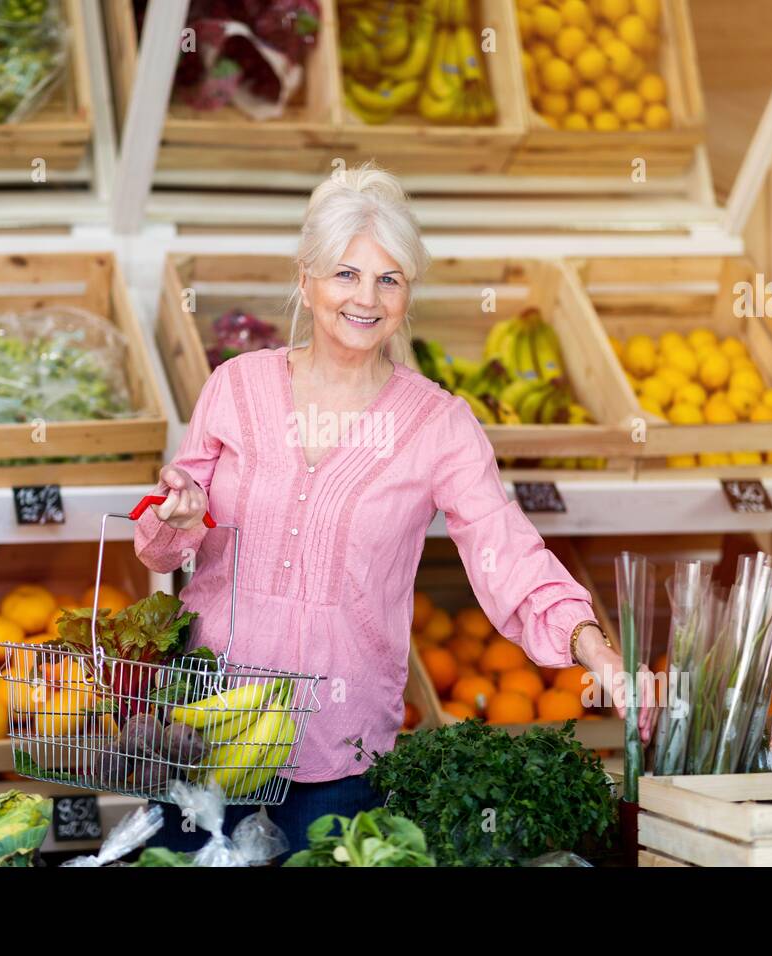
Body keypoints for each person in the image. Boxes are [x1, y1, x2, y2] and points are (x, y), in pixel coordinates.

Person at [134, 164, 655, 855]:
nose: (366, 298)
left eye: (390, 279)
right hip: (203, 736)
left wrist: (598, 651)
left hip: (341, 756)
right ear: (306, 280)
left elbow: (506, 550)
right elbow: (163, 541)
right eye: (346, 274)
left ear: (408, 293)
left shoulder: (438, 424)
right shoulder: (236, 387)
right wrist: (176, 515)